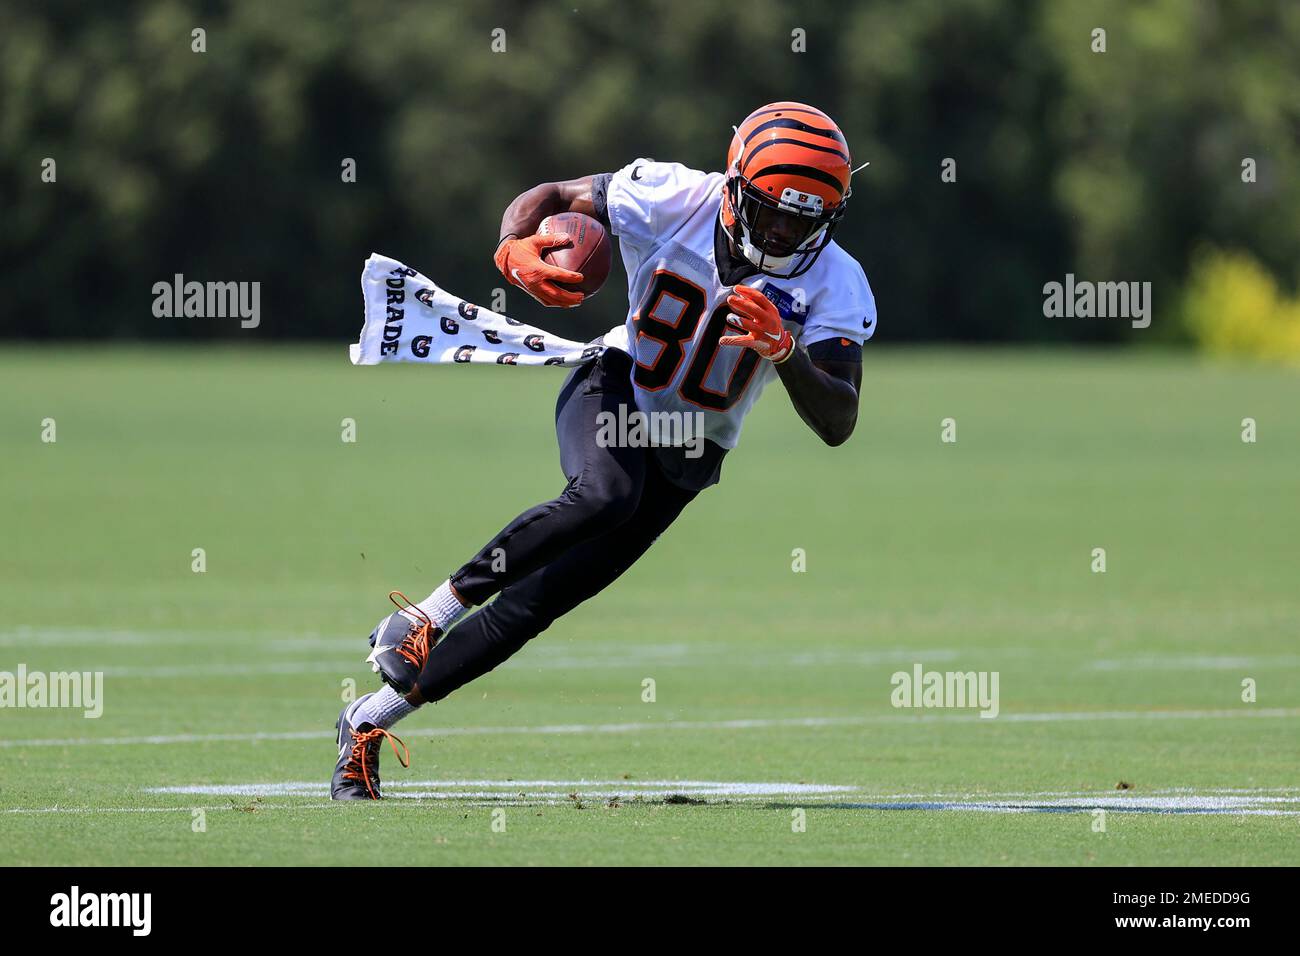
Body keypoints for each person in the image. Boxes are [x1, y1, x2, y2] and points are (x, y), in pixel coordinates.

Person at [331, 101, 877, 799]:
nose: (779, 232)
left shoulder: (836, 281)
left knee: (541, 601)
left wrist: (788, 350)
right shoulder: (675, 195)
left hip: (690, 450)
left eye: (800, 222)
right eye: (770, 210)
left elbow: (839, 417)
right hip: (613, 383)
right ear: (736, 183)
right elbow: (552, 197)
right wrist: (512, 244)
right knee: (602, 494)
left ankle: (366, 722)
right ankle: (421, 618)